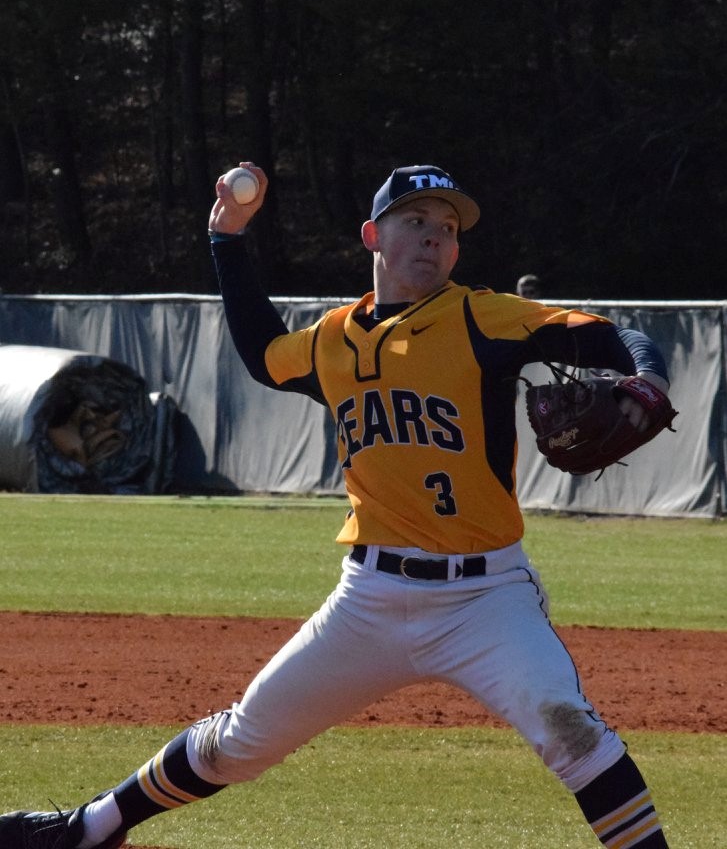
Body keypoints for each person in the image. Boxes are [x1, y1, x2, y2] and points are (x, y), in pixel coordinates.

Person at [0, 163, 672, 848]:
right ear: (372, 235)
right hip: (370, 596)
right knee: (237, 744)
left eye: (446, 228)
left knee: (573, 736)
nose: (433, 238)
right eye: (415, 221)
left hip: (486, 597)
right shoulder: (331, 341)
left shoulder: (480, 317)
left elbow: (610, 335)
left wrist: (645, 380)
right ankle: (88, 830)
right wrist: (227, 241)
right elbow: (264, 354)